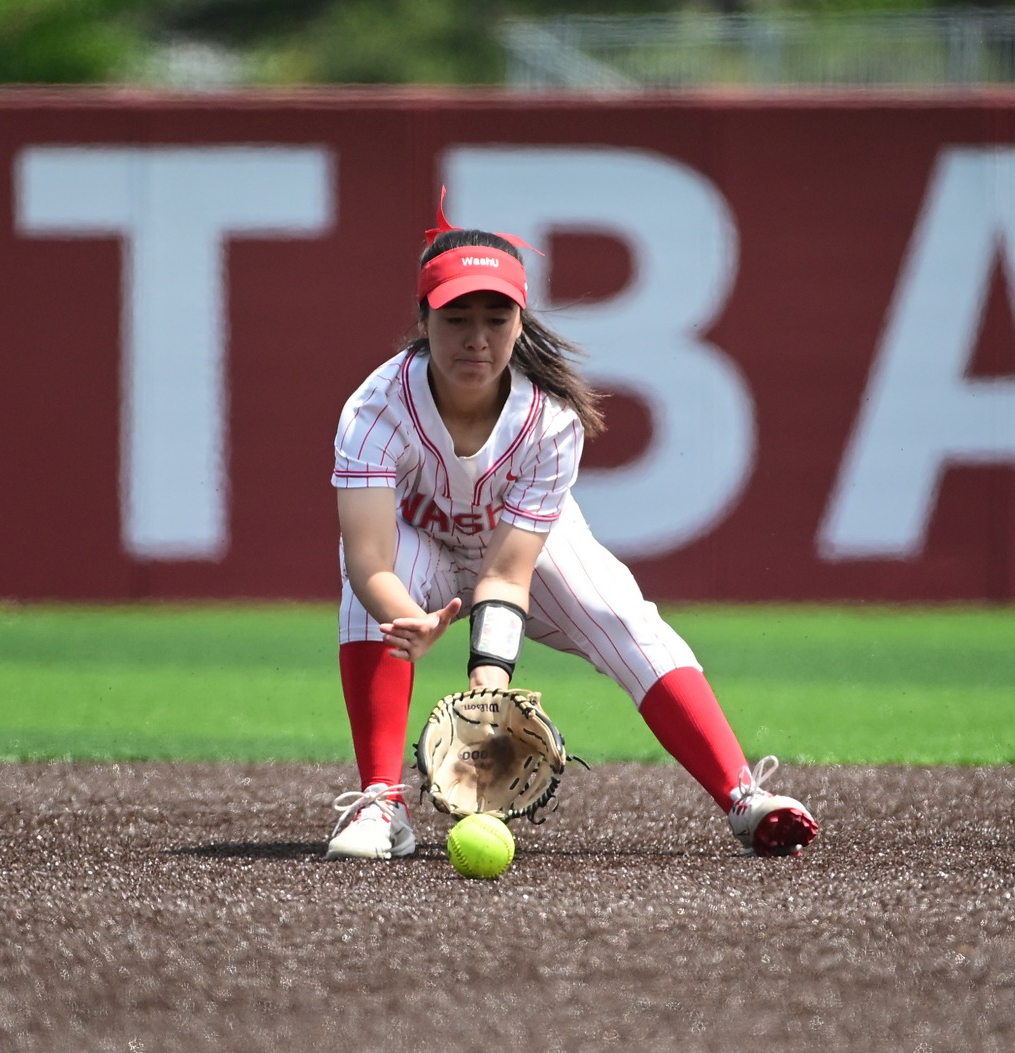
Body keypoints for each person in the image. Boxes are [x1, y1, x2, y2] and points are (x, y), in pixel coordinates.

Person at [325, 198, 820, 861]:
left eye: (496, 317)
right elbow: (368, 558)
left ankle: (743, 797)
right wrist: (403, 618)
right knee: (375, 603)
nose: (477, 337)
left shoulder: (549, 419)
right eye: (456, 317)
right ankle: (381, 803)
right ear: (422, 318)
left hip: (523, 554)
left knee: (619, 613)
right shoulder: (375, 409)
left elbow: (506, 571)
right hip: (417, 557)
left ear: (520, 322)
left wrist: (489, 682)